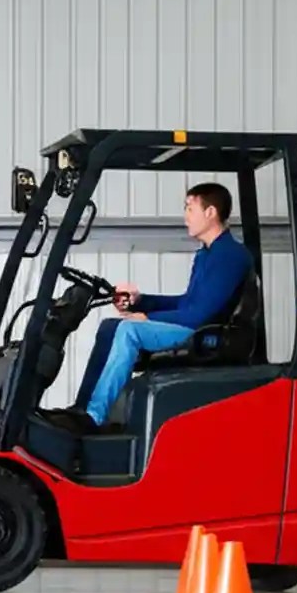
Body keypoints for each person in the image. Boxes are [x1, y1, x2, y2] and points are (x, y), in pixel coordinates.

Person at [61, 182, 252, 432]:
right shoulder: (206, 254)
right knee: (111, 327)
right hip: (195, 324)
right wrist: (141, 301)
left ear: (210, 212)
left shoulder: (229, 255)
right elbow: (187, 302)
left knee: (129, 331)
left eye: (190, 208)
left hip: (206, 334)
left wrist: (146, 317)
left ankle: (95, 416)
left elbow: (199, 314)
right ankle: (82, 408)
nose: (185, 216)